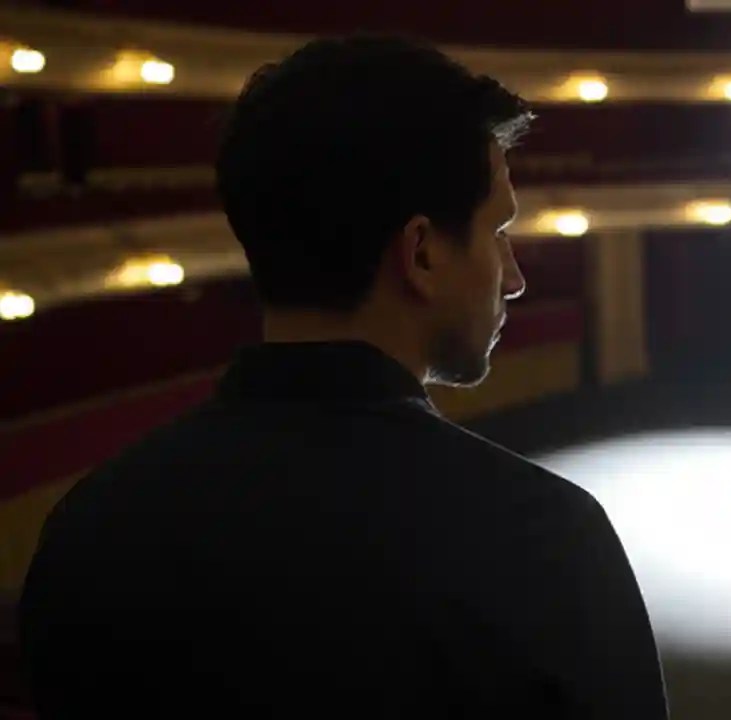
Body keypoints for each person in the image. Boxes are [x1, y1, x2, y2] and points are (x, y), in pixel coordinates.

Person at [19, 36, 668, 719]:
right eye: (497, 232)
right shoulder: (543, 539)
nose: (515, 276)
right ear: (419, 253)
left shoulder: (88, 531)